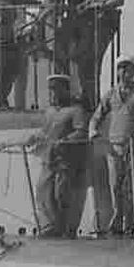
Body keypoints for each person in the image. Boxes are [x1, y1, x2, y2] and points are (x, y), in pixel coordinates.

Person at [90, 54, 134, 236]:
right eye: (121, 68)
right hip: (114, 148)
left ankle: (133, 223)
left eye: (128, 68)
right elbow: (97, 116)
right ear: (117, 71)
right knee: (116, 186)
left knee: (133, 187)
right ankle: (117, 222)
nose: (125, 72)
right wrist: (93, 130)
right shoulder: (111, 94)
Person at [31, 74, 90, 237]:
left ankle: (64, 227)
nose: (53, 94)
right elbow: (44, 132)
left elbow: (81, 131)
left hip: (66, 160)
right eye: (51, 90)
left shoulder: (76, 111)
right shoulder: (49, 112)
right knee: (43, 191)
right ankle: (49, 226)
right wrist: (34, 137)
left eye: (56, 90)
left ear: (65, 90)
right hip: (48, 158)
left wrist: (65, 140)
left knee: (61, 194)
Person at [77, 0, 128, 100]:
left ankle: (92, 97)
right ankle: (87, 94)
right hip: (90, 20)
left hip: (105, 20)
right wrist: (85, 4)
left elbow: (118, 0)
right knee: (83, 58)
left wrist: (98, 5)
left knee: (94, 58)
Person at [57, 0, 92, 84]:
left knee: (82, 55)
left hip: (86, 21)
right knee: (61, 48)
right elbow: (61, 2)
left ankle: (83, 85)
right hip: (71, 20)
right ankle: (64, 76)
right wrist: (60, 18)